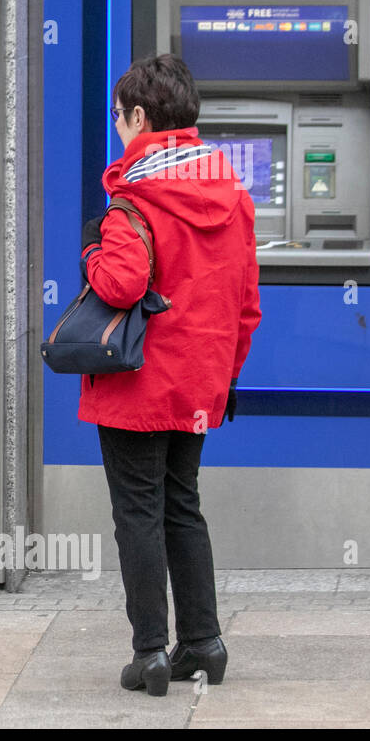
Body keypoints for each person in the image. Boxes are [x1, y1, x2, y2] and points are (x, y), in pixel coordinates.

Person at [80, 54, 261, 695]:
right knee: (183, 506)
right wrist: (221, 377)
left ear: (139, 116)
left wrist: (93, 250)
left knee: (139, 513)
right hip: (200, 383)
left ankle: (152, 653)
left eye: (119, 117)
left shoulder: (135, 196)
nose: (118, 129)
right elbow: (247, 307)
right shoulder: (234, 194)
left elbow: (122, 283)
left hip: (138, 384)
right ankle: (205, 645)